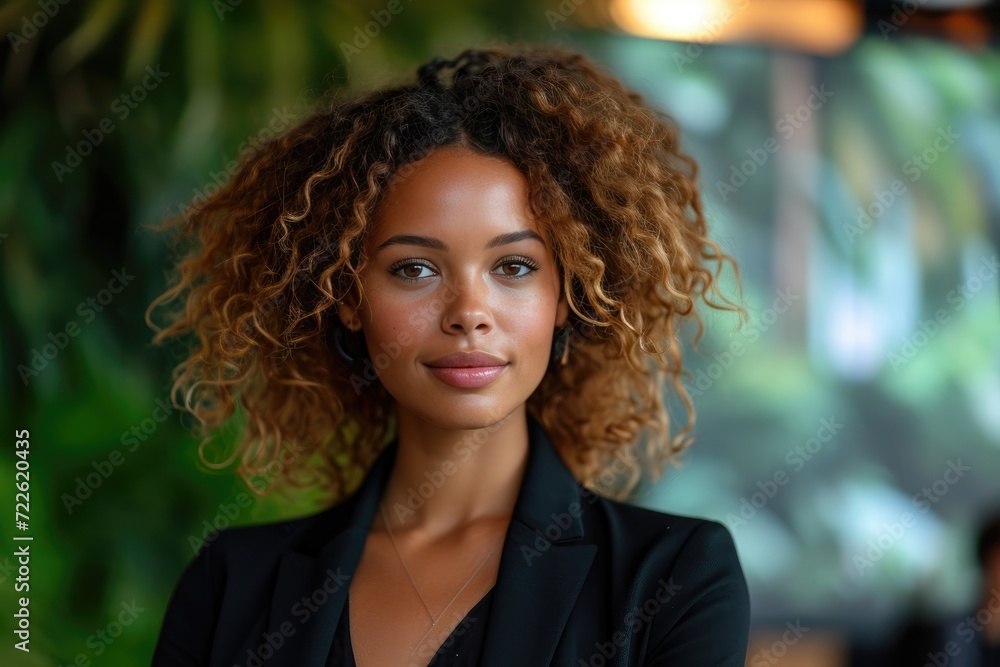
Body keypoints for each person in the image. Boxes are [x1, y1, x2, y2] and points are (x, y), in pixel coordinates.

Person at [146, 42, 750, 667]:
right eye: (414, 268)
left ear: (565, 295)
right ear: (348, 297)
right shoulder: (231, 584)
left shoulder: (673, 579)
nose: (469, 311)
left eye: (513, 266)